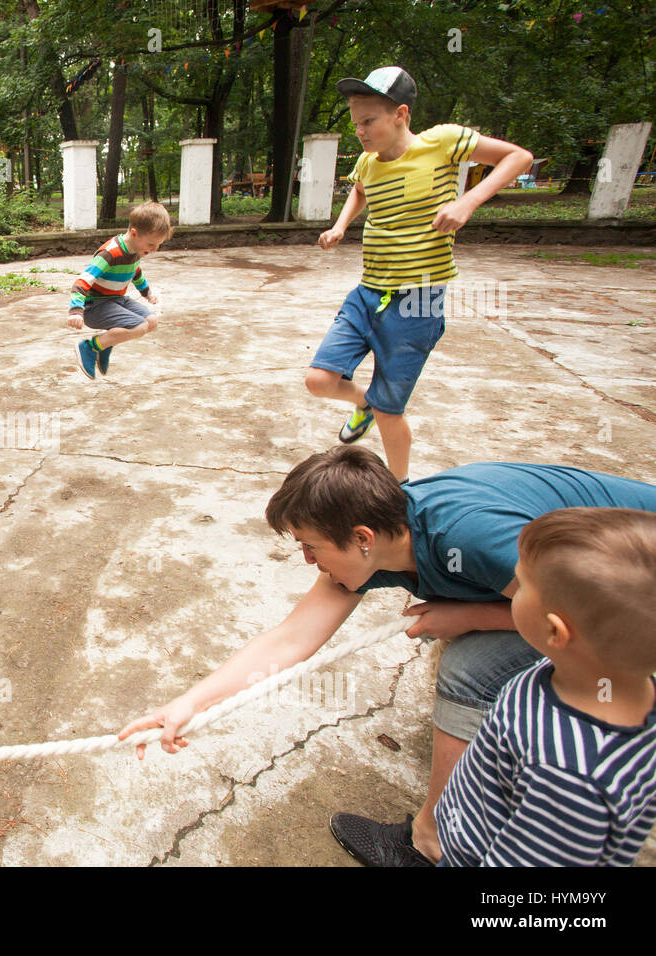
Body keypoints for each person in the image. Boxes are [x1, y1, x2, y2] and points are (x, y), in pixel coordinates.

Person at [117, 445, 656, 866]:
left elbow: (580, 619)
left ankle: (429, 842)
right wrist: (189, 704)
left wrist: (469, 615)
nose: (306, 560)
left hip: (631, 592)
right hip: (585, 590)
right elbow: (291, 638)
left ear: (362, 536)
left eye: (310, 546)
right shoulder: (384, 539)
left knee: (468, 668)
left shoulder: (470, 538)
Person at [309, 66, 533, 482]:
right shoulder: (367, 162)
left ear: (401, 114)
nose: (360, 130)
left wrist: (468, 202)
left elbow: (518, 157)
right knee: (319, 380)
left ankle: (402, 489)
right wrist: (341, 225)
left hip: (417, 300)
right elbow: (360, 190)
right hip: (368, 292)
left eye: (368, 121)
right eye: (356, 122)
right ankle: (365, 403)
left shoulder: (442, 142)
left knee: (391, 410)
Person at [436, 508, 656, 867]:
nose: (511, 585)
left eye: (521, 585)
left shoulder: (569, 776)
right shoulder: (589, 673)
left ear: (556, 632)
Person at [67, 200, 169, 379]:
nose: (155, 250)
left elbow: (135, 272)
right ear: (134, 233)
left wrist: (147, 293)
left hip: (115, 300)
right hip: (94, 306)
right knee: (139, 326)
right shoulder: (110, 253)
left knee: (152, 320)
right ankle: (90, 347)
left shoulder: (135, 250)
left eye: (158, 245)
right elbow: (82, 282)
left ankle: (106, 345)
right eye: (152, 245)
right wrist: (76, 310)